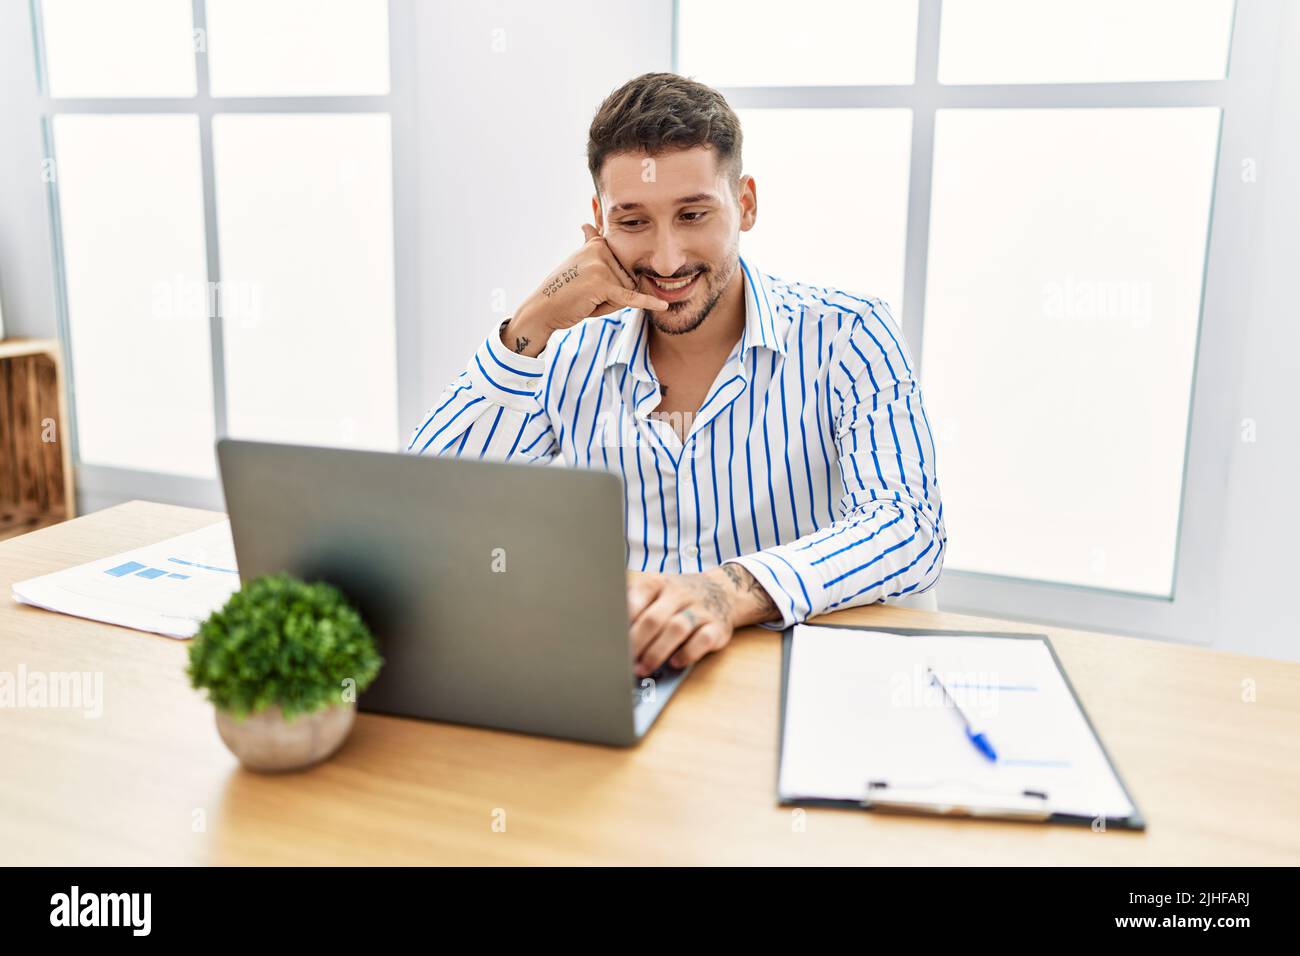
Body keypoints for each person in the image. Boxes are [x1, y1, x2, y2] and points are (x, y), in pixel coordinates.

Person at [407, 72, 946, 679]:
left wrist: (727, 591)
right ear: (598, 220)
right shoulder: (563, 348)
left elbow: (908, 525)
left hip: (789, 684)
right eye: (633, 222)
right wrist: (529, 324)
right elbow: (425, 512)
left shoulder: (847, 333)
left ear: (744, 204)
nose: (666, 260)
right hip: (622, 685)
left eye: (693, 214)